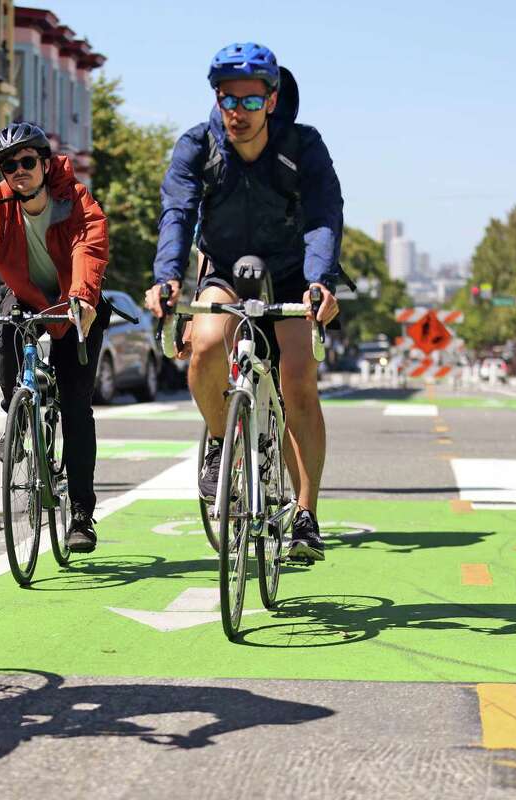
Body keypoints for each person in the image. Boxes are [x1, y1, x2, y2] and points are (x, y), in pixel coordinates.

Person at [145, 42, 343, 562]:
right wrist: (167, 280)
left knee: (297, 378)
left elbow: (324, 216)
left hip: (293, 272)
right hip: (226, 269)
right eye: (228, 99)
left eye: (251, 101)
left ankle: (306, 514)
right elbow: (177, 214)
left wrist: (320, 282)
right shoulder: (197, 146)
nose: (238, 111)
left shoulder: (303, 146)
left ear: (271, 101)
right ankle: (220, 441)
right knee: (207, 345)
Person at [0, 122, 110, 553]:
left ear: (44, 163)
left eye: (26, 161)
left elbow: (88, 245)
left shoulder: (73, 199)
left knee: (75, 407)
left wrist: (82, 297)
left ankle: (81, 515)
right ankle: (17, 417)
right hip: (25, 295)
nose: (18, 170)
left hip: (75, 301)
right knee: (8, 340)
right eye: (8, 165)